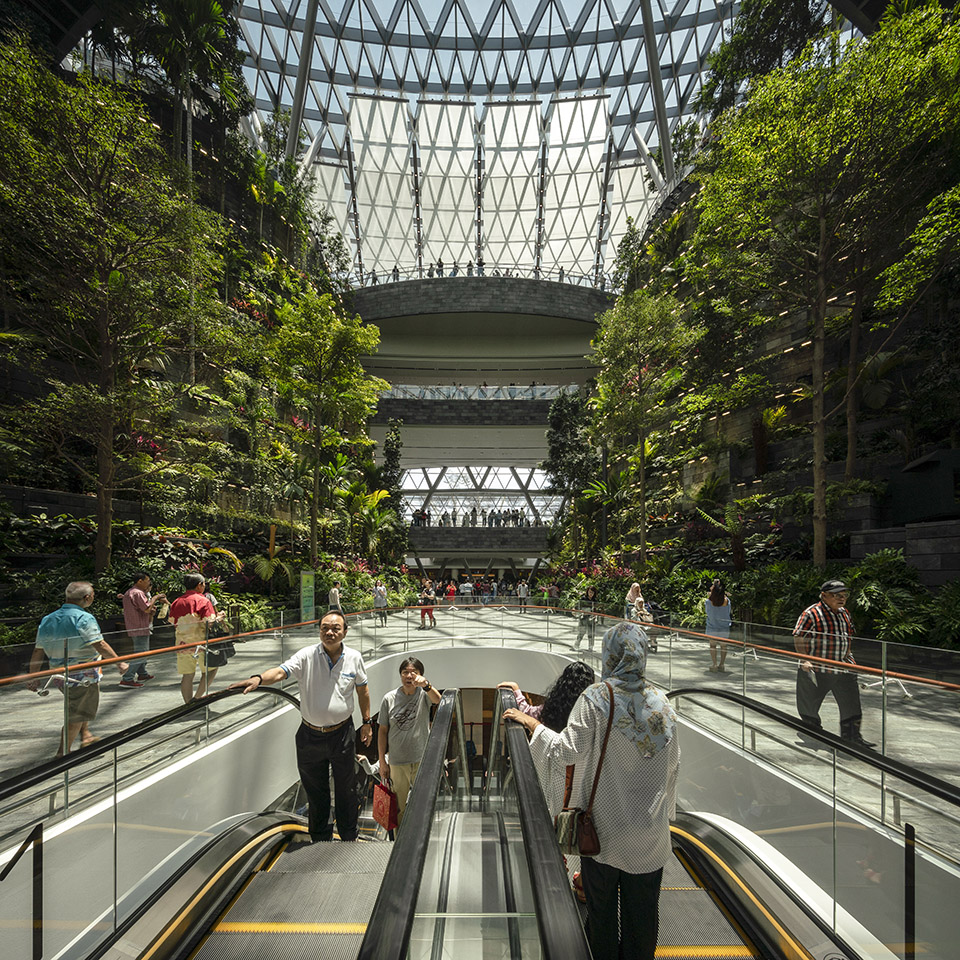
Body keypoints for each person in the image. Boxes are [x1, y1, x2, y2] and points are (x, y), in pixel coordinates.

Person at [505, 622, 679, 960]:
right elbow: (674, 766)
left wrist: (533, 724)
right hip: (652, 837)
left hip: (606, 836)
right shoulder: (664, 702)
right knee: (643, 919)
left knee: (601, 918)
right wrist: (667, 815)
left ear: (609, 654)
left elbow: (566, 752)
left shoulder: (598, 697)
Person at [230, 610, 374, 841]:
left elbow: (362, 690)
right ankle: (319, 838)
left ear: (345, 631)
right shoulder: (307, 655)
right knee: (315, 791)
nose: (329, 632)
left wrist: (367, 722)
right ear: (319, 630)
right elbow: (281, 672)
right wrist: (258, 678)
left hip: (342, 734)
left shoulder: (354, 657)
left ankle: (349, 836)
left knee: (346, 788)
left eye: (335, 628)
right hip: (310, 736)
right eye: (325, 627)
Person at [28, 582, 129, 754]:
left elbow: (38, 650)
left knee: (79, 706)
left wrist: (33, 675)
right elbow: (99, 644)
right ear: (87, 598)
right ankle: (62, 754)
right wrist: (119, 662)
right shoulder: (84, 618)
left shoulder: (48, 619)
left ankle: (86, 735)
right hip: (83, 675)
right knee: (76, 715)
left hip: (59, 674)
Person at [793, 580, 874, 748]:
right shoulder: (812, 613)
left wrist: (848, 656)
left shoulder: (844, 613)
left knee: (851, 702)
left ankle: (852, 737)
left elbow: (848, 635)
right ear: (824, 596)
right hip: (819, 667)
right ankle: (814, 732)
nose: (842, 598)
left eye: (844, 595)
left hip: (843, 666)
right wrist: (805, 659)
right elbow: (799, 636)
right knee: (810, 703)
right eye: (837, 595)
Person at [377, 657, 442, 825]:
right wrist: (382, 762)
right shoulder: (389, 699)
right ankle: (399, 843)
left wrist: (426, 684)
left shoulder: (424, 695)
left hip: (422, 760)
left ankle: (422, 836)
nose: (409, 676)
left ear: (420, 675)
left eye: (414, 672)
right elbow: (382, 731)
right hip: (397, 762)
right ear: (400, 675)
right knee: (398, 806)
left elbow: (439, 701)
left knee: (424, 802)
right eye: (405, 672)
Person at [169, 573, 223, 704]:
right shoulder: (203, 601)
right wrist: (220, 617)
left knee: (187, 675)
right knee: (211, 670)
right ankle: (198, 699)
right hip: (201, 643)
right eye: (204, 583)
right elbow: (209, 622)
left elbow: (172, 622)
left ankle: (188, 703)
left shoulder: (177, 602)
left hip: (182, 644)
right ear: (199, 585)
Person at [119, 572, 165, 688]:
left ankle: (142, 673)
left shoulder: (130, 592)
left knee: (142, 651)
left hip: (135, 626)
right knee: (141, 653)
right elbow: (146, 609)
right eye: (147, 580)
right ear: (140, 581)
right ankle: (127, 678)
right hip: (139, 627)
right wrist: (156, 597)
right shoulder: (138, 593)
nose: (149, 583)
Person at [705, 579, 732, 673]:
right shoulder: (727, 601)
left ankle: (714, 664)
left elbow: (707, 612)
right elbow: (728, 612)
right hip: (724, 627)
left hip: (712, 627)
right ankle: (722, 664)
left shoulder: (708, 602)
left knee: (712, 646)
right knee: (723, 646)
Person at [575, 584, 600, 652]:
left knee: (591, 633)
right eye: (589, 592)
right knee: (581, 632)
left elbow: (596, 610)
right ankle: (577, 644)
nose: (590, 594)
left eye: (592, 592)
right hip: (583, 618)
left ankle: (591, 646)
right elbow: (578, 607)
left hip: (591, 618)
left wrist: (596, 617)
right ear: (587, 592)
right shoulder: (583, 599)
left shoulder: (595, 600)